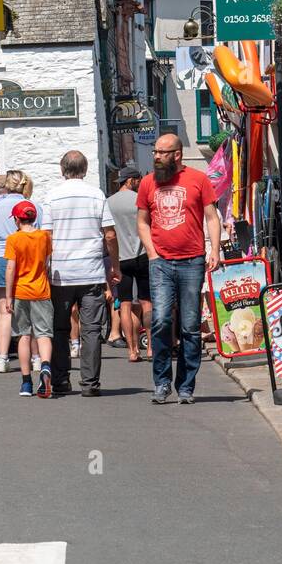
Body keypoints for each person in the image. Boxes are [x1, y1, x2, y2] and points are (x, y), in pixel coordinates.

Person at [137, 133, 221, 405]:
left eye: (163, 152)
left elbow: (211, 217)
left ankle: (185, 385)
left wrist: (215, 250)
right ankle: (161, 383)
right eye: (155, 152)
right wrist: (152, 253)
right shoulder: (148, 183)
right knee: (160, 320)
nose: (157, 156)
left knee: (189, 326)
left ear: (177, 154)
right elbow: (142, 222)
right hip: (160, 262)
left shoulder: (198, 180)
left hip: (192, 261)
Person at [42, 150, 120, 397]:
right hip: (91, 273)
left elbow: (47, 236)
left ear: (62, 169)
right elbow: (109, 234)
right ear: (85, 170)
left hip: (61, 273)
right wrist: (115, 266)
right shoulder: (97, 195)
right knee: (91, 330)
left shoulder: (51, 197)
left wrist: (45, 267)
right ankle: (89, 384)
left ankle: (61, 380)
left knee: (59, 328)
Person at [0, 169, 34, 373]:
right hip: (27, 258)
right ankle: (35, 357)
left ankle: (2, 358)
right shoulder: (31, 205)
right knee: (29, 310)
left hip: (0, 256)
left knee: (4, 311)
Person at [4, 200, 54, 398]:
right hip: (41, 290)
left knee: (23, 336)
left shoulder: (13, 239)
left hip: (20, 291)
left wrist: (8, 296)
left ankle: (26, 383)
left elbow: (10, 269)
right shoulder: (44, 237)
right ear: (34, 218)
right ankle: (45, 366)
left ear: (17, 219)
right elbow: (48, 262)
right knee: (43, 334)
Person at [107, 163, 152, 363]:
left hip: (120, 258)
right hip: (142, 255)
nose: (139, 183)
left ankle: (132, 350)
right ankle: (151, 347)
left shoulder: (108, 202)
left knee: (124, 304)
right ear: (131, 180)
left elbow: (107, 234)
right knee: (146, 302)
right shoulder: (140, 199)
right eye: (137, 180)